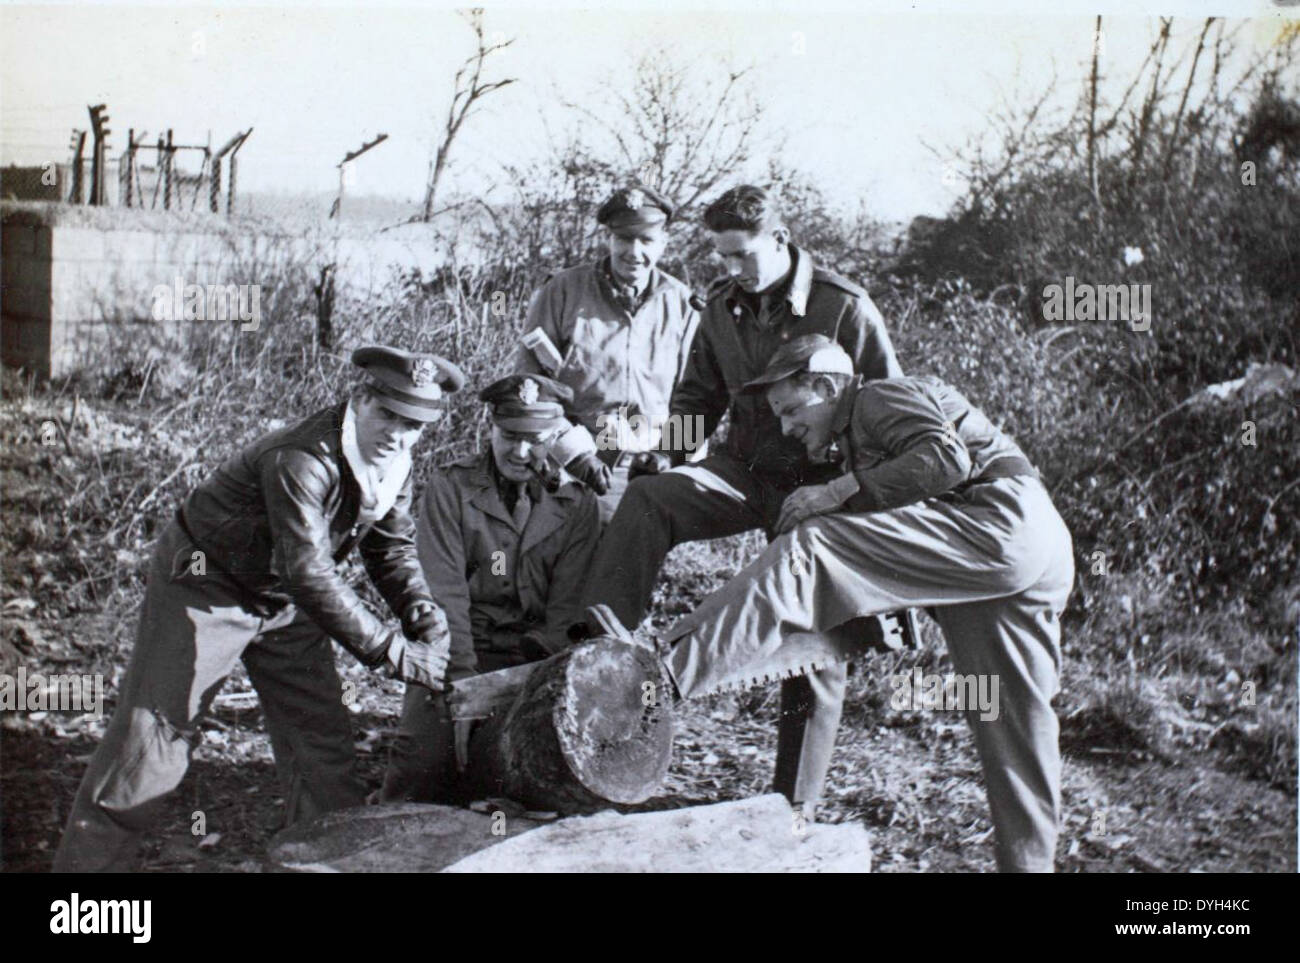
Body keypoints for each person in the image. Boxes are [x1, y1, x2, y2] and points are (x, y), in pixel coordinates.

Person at [658, 334, 1075, 872]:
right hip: (1030, 549)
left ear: (829, 386)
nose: (786, 427)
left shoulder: (878, 397)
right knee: (1017, 726)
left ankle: (661, 679)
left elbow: (945, 460)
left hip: (995, 522)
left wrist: (833, 494)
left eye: (790, 409)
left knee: (816, 544)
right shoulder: (861, 431)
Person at [53, 346, 460, 872]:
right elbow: (309, 571)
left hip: (286, 599)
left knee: (322, 748)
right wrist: (390, 650)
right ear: (360, 399)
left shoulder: (394, 460)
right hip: (208, 585)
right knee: (153, 742)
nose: (399, 435)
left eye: (414, 425)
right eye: (388, 415)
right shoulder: (301, 457)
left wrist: (418, 608)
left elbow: (390, 546)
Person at [580, 185, 904, 816]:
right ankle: (601, 663)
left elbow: (889, 418)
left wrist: (840, 494)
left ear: (779, 242)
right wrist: (664, 454)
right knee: (650, 498)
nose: (731, 271)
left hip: (821, 487)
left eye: (741, 256)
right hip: (746, 471)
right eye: (722, 257)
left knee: (815, 639)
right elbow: (697, 403)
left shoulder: (846, 308)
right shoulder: (724, 307)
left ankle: (793, 809)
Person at [381, 374, 601, 802]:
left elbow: (565, 613)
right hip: (456, 653)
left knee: (538, 777)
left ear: (556, 437)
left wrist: (529, 690)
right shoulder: (451, 487)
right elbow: (443, 599)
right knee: (420, 770)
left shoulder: (579, 503)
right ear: (491, 429)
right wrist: (466, 689)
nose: (519, 451)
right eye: (509, 435)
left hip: (533, 659)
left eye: (534, 439)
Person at [515, 183, 700, 522]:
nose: (634, 251)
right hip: (572, 460)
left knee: (632, 565)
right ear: (607, 239)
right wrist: (573, 452)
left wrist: (672, 454)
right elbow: (529, 386)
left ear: (664, 244)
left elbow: (698, 394)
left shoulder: (683, 303)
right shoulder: (562, 291)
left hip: (650, 466)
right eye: (623, 239)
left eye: (646, 240)